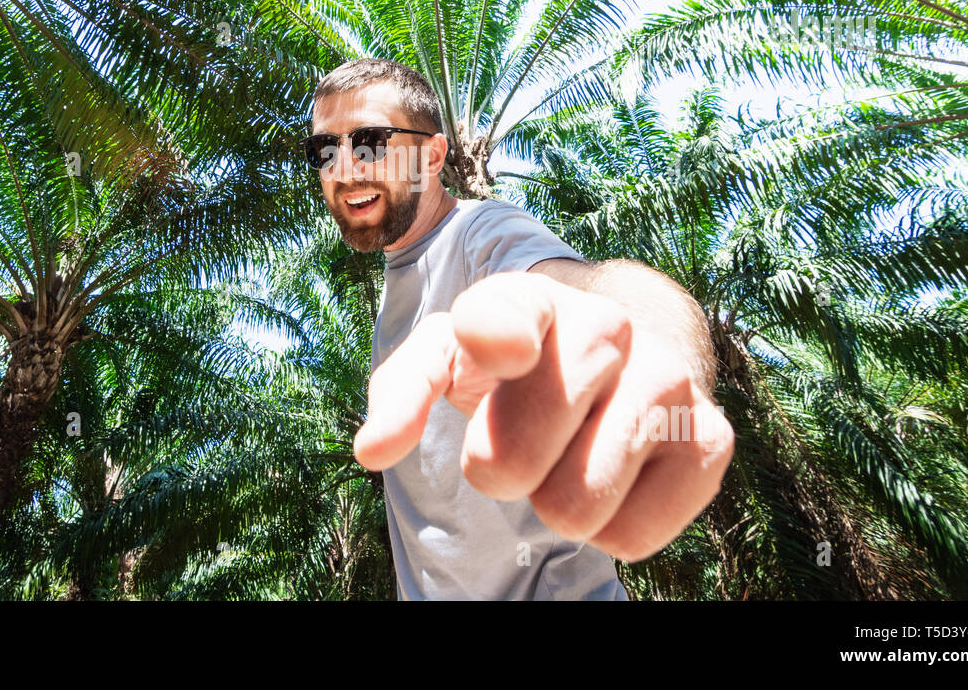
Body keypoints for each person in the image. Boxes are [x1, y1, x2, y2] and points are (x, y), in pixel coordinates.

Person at [303, 58, 734, 600]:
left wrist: (651, 356)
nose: (345, 168)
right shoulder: (399, 278)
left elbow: (588, 288)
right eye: (324, 150)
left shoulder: (477, 232)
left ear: (433, 155)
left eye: (369, 141)